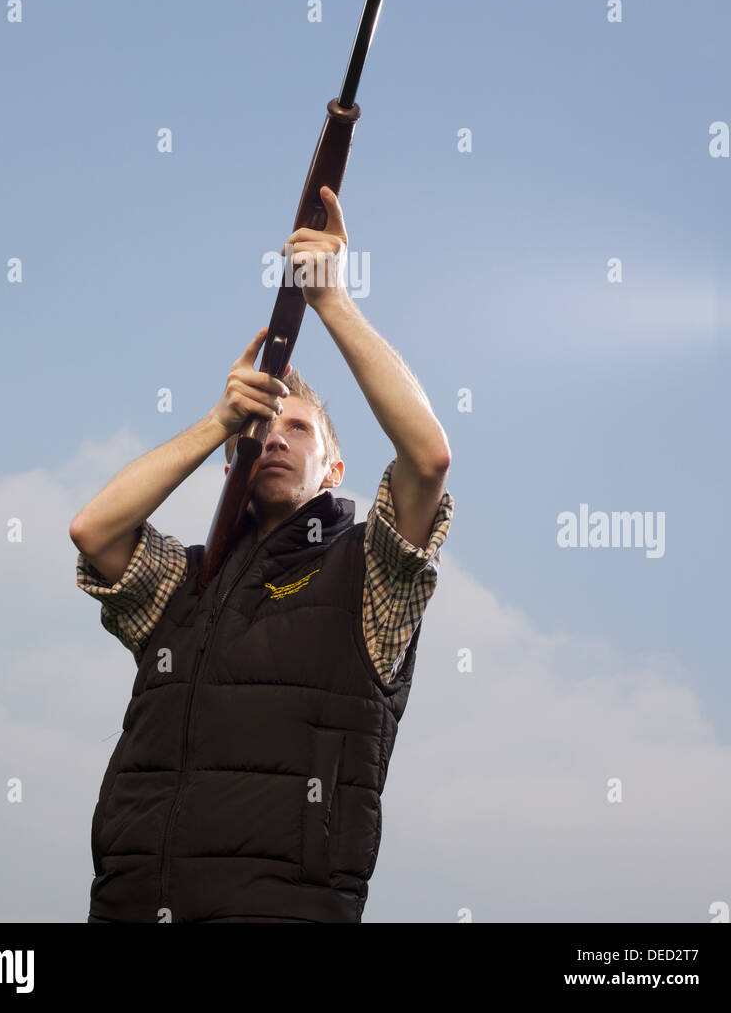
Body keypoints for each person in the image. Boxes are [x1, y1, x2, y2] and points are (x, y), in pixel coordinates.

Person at [71, 186, 453, 922]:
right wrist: (220, 421)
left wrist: (331, 301)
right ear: (233, 464)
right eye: (262, 429)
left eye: (302, 430)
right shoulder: (183, 581)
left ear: (335, 471)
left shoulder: (367, 570)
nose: (275, 436)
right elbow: (95, 531)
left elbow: (429, 458)